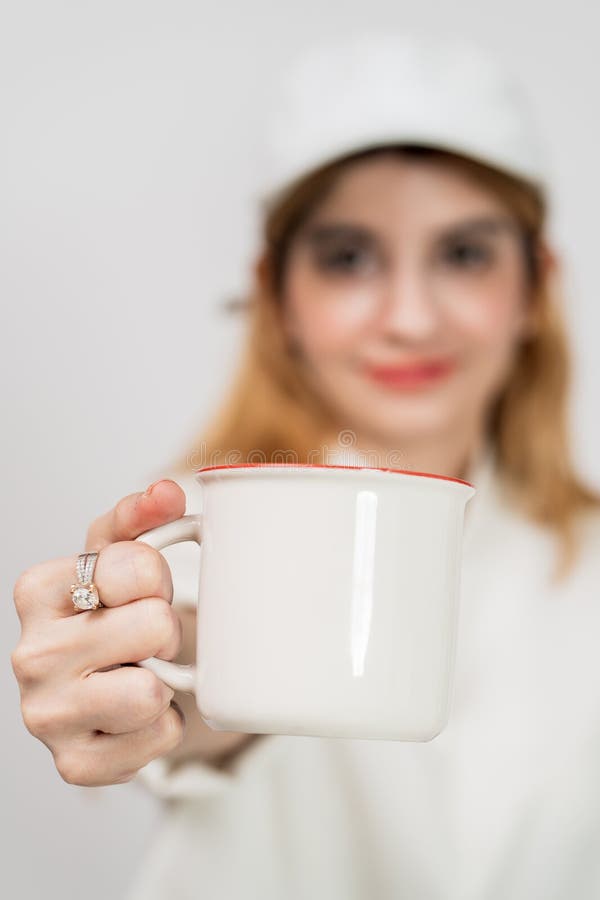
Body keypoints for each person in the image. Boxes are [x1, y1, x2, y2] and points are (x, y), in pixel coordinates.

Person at [10, 29, 600, 900]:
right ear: (278, 293)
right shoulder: (202, 550)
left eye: (465, 253)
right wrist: (154, 684)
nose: (407, 316)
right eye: (348, 257)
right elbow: (207, 716)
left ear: (534, 289)